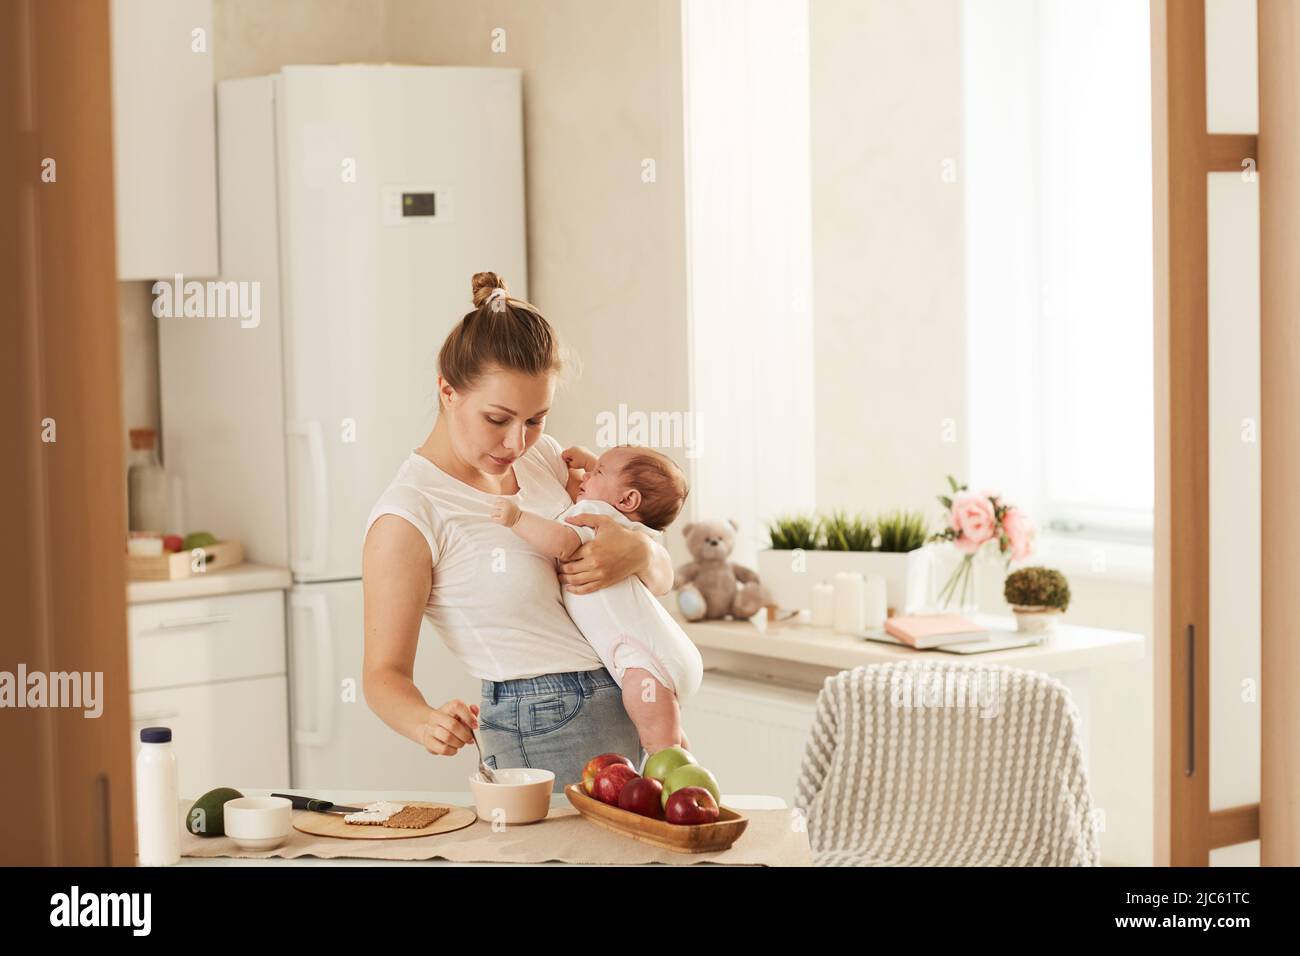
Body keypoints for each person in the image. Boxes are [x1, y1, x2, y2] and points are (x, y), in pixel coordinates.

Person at [361, 271, 679, 791]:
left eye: (535, 420)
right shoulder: (409, 514)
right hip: (541, 722)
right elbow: (382, 676)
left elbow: (661, 578)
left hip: (630, 699)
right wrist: (425, 723)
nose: (516, 442)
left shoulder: (545, 460)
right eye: (497, 419)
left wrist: (641, 551)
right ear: (447, 391)